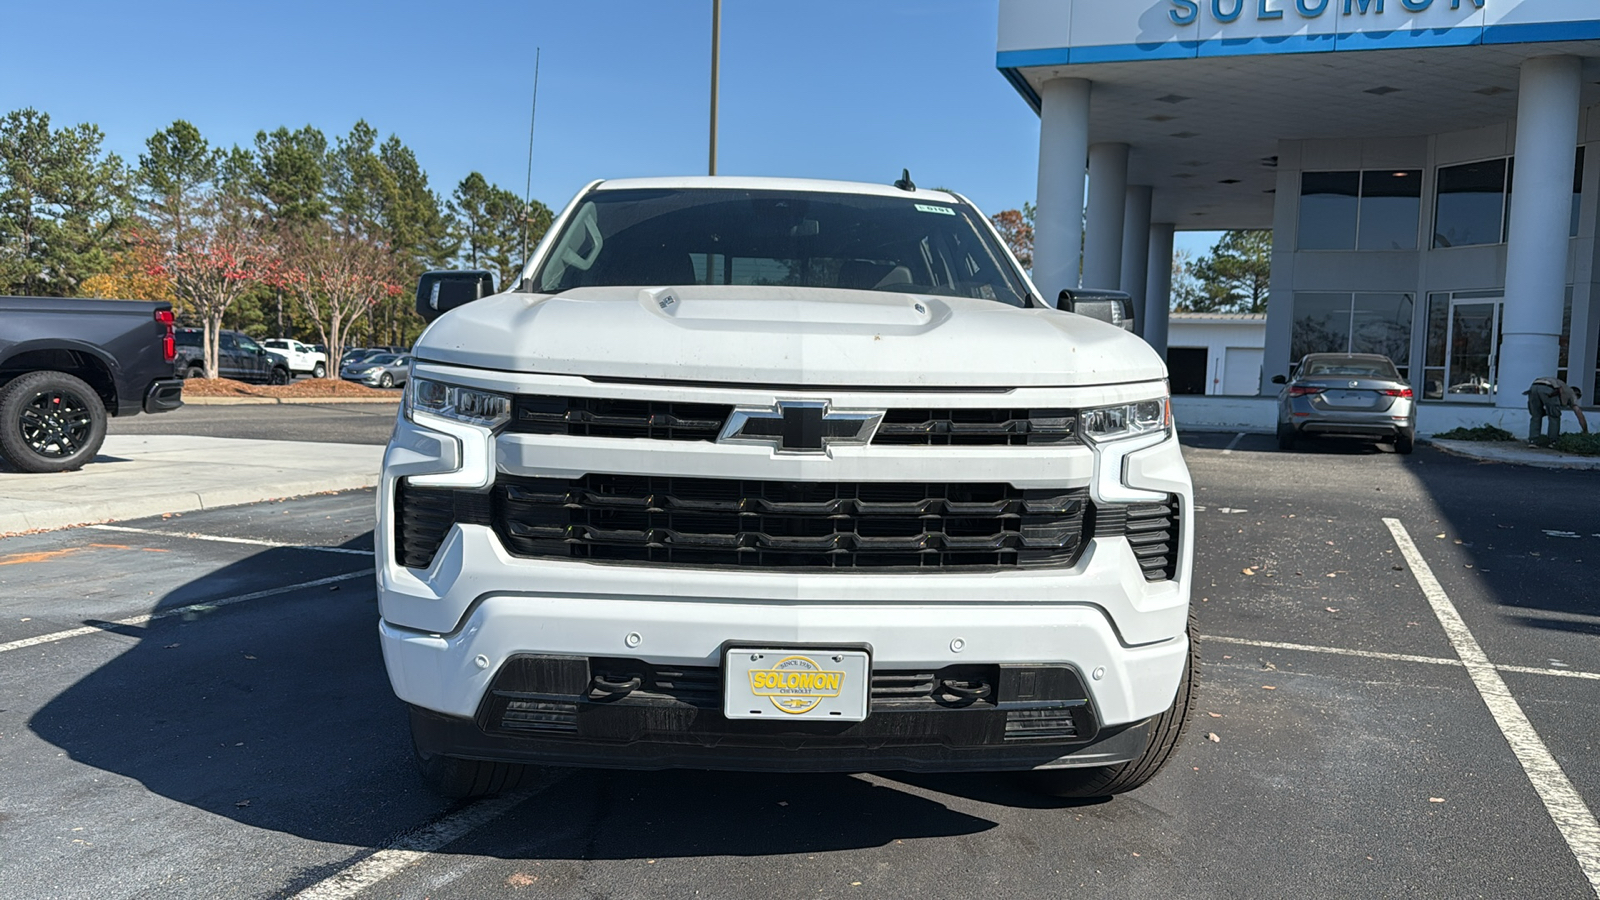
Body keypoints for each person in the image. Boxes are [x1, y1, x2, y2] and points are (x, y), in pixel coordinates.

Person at [1526, 376, 1589, 446]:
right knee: (1554, 417)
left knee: (1536, 416)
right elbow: (1579, 413)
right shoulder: (1571, 393)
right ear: (1577, 394)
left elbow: (1536, 409)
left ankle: (1533, 441)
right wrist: (1585, 430)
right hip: (1549, 388)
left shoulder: (1564, 389)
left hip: (1534, 386)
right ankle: (1553, 441)